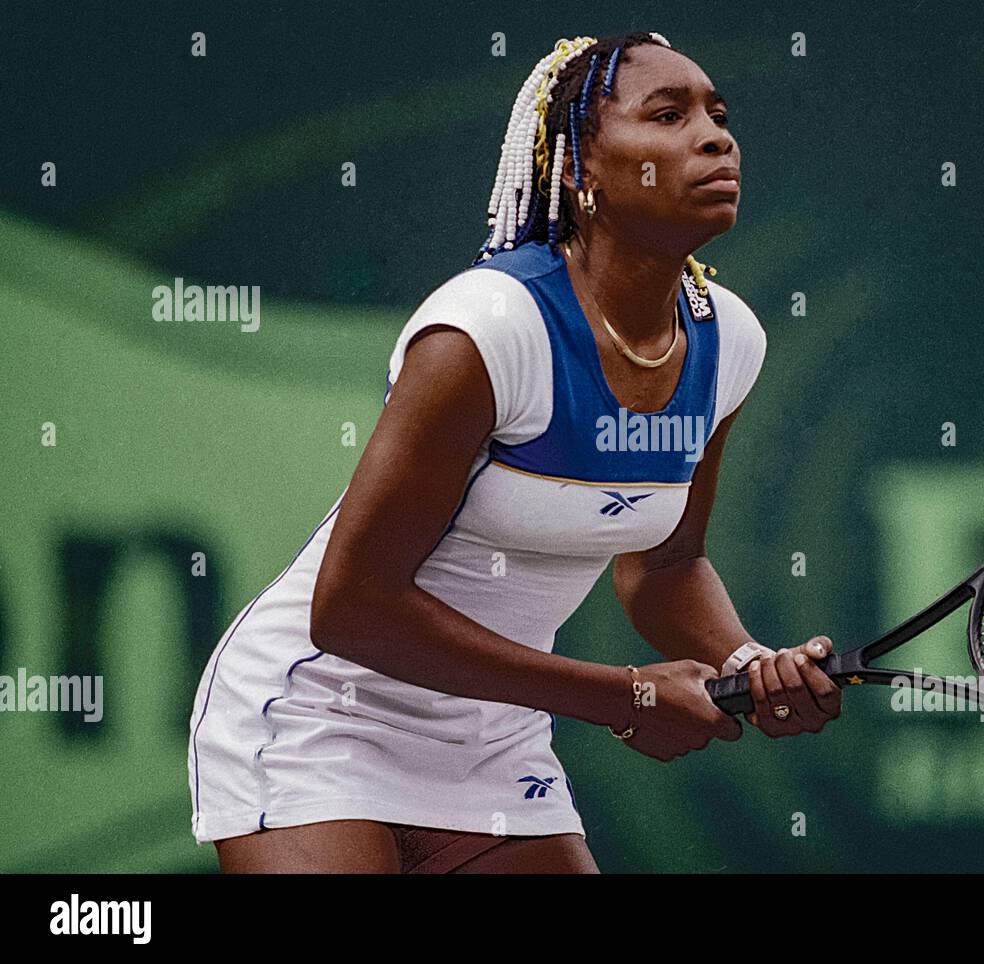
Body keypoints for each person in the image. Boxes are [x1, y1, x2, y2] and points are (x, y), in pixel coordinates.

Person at [187, 30, 841, 874]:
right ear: (581, 170)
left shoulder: (731, 342)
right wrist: (625, 697)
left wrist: (749, 663)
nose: (716, 137)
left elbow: (667, 565)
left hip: (495, 737)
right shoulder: (490, 330)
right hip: (320, 715)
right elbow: (350, 607)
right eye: (669, 115)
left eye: (718, 115)